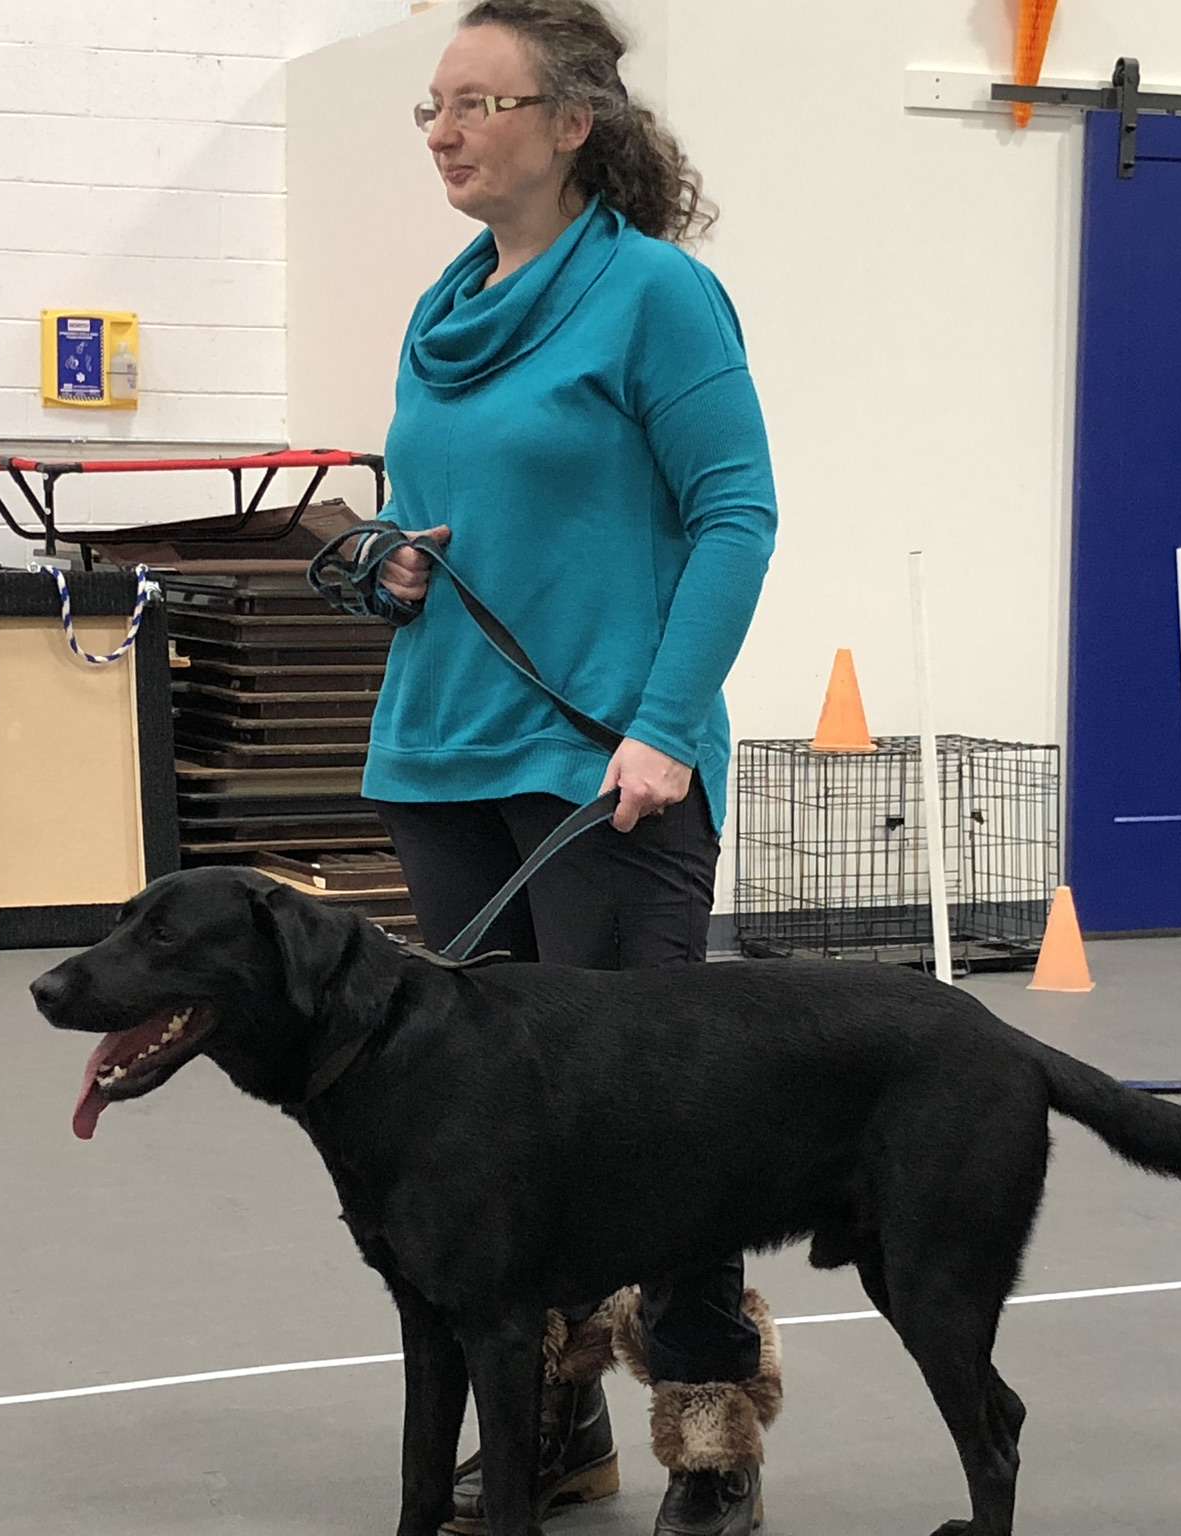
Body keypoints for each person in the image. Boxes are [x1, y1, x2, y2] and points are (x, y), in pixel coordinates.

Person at [351, 4, 781, 1535]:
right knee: (490, 1131)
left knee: (660, 1127)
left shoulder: (658, 297)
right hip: (442, 758)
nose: (446, 132)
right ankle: (556, 1431)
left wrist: (666, 724)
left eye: (480, 102)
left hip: (609, 769)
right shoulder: (439, 311)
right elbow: (439, 521)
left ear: (573, 123)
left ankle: (712, 1435)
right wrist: (388, 569)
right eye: (434, 106)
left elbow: (736, 514)